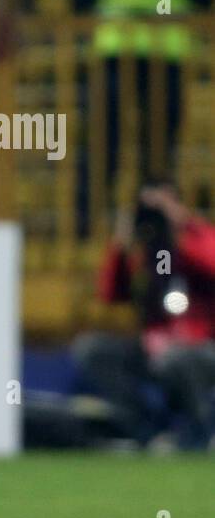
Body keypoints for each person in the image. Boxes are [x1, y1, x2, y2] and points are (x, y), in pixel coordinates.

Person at [73, 0, 212, 230]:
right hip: (113, 56)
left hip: (167, 57)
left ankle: (155, 227)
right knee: (103, 143)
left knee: (159, 151)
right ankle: (90, 227)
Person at [78, 182, 215, 449]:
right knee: (91, 349)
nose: (156, 217)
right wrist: (120, 245)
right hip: (152, 349)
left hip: (200, 349)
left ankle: (200, 433)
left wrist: (182, 230)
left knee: (176, 358)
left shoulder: (197, 236)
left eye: (161, 208)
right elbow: (109, 294)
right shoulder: (142, 252)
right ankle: (143, 431)